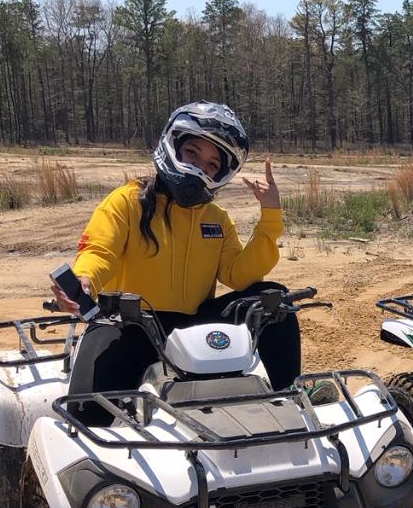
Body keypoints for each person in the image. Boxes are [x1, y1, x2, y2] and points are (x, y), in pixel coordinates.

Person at [50, 101, 297, 421]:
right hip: (132, 323)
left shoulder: (216, 218)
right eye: (192, 152)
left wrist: (270, 215)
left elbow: (238, 275)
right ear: (173, 145)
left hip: (194, 326)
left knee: (275, 300)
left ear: (222, 173)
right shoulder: (127, 201)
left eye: (212, 164)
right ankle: (90, 433)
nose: (200, 166)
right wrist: (85, 280)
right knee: (86, 414)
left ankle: (289, 398)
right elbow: (99, 252)